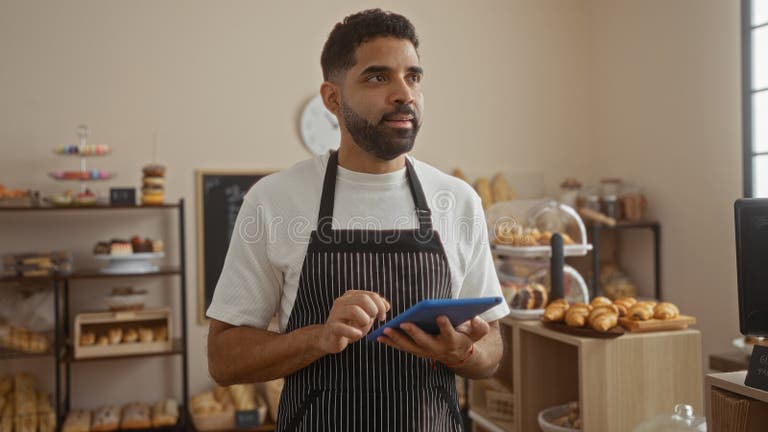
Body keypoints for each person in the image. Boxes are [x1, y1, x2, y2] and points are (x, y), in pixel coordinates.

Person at [206, 9, 509, 431]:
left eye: (414, 77)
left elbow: (492, 348)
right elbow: (222, 359)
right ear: (332, 98)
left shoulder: (458, 201)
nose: (405, 94)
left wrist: (460, 351)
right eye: (378, 77)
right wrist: (318, 337)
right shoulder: (274, 200)